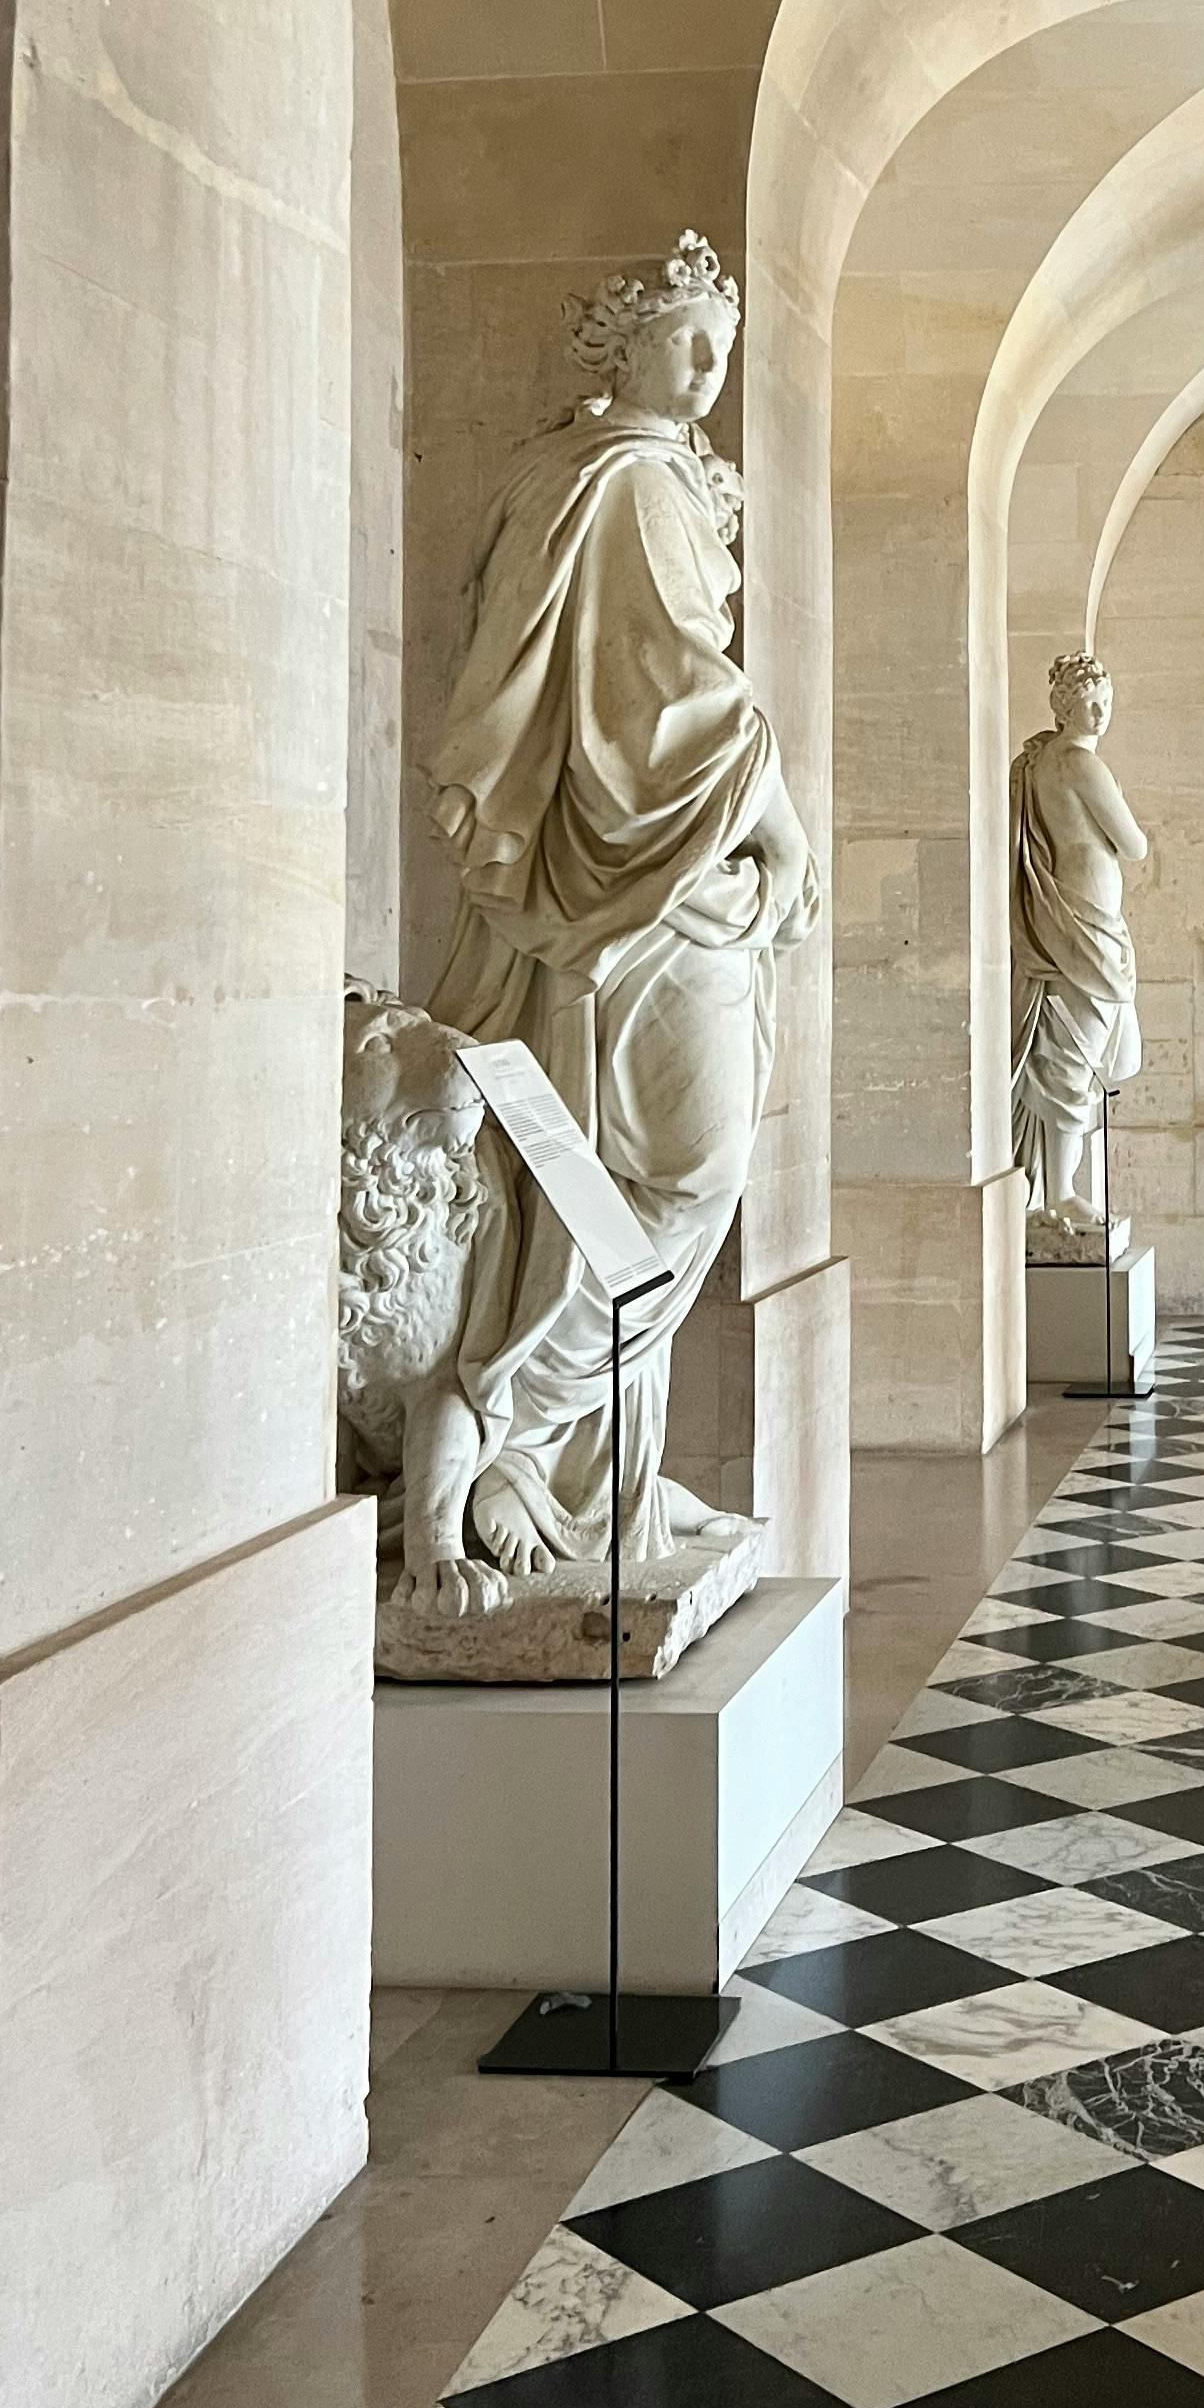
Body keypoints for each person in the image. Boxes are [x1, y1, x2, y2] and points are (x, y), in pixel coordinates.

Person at [420, 233, 817, 1576]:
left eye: (723, 343)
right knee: (685, 1171)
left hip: (611, 896)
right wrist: (786, 829)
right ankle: (505, 1426)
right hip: (652, 898)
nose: (712, 368)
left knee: (610, 1181)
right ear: (628, 346)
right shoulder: (633, 478)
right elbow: (685, 710)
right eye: (690, 341)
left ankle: (604, 1485)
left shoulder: (573, 476)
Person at [1008, 652, 1148, 1232]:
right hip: (1083, 925)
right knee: (1073, 1057)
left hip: (1077, 922)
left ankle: (1049, 1191)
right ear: (1062, 708)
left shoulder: (1042, 761)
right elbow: (1134, 844)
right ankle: (1061, 1193)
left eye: (1107, 701)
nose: (1101, 713)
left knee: (1072, 1054)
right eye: (1090, 703)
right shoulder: (1079, 763)